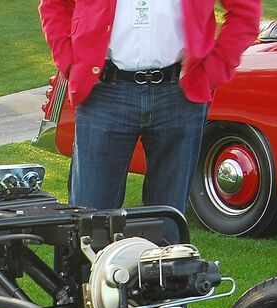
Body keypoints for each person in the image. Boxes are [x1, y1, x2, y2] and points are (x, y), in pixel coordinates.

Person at [38, 0, 261, 218]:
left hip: (179, 95)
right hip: (104, 93)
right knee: (89, 222)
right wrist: (69, 62)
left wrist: (214, 68)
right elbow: (54, 6)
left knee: (168, 225)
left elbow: (245, 11)